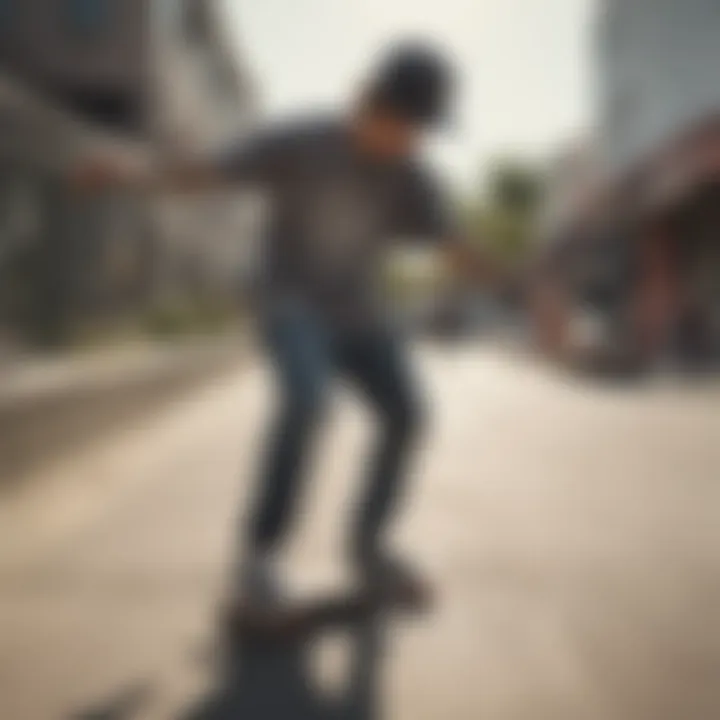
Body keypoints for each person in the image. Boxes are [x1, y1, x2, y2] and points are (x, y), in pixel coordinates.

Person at [73, 42, 483, 606]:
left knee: (409, 415)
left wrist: (519, 280)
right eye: (403, 125)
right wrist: (131, 174)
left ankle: (369, 546)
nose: (409, 141)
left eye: (420, 132)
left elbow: (452, 242)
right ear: (370, 102)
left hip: (360, 313)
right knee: (309, 400)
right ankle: (260, 558)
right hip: (290, 303)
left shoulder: (413, 174)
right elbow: (206, 172)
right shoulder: (301, 141)